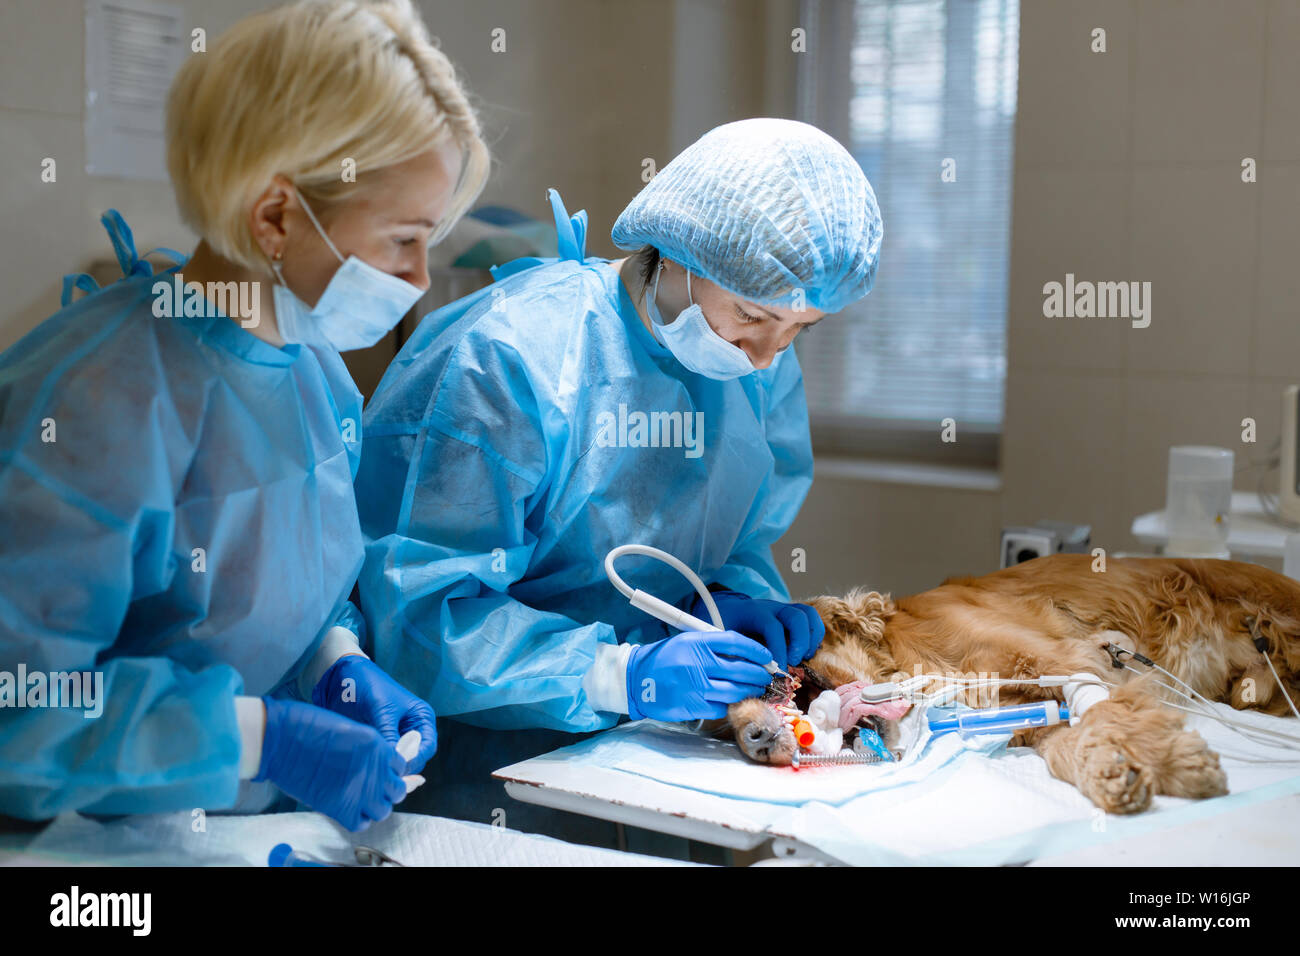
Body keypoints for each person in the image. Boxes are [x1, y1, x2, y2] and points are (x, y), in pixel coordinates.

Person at [0, 0, 488, 832]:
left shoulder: (317, 372)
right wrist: (261, 736)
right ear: (275, 217)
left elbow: (300, 590)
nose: (418, 278)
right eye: (403, 239)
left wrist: (338, 660)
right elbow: (22, 705)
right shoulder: (96, 395)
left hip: (252, 830)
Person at [355, 118, 883, 834]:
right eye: (753, 316)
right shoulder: (509, 358)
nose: (767, 355)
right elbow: (420, 618)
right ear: (682, 254)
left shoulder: (757, 376)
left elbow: (738, 539)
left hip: (665, 770)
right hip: (488, 787)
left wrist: (729, 599)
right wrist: (618, 675)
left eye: (799, 329)